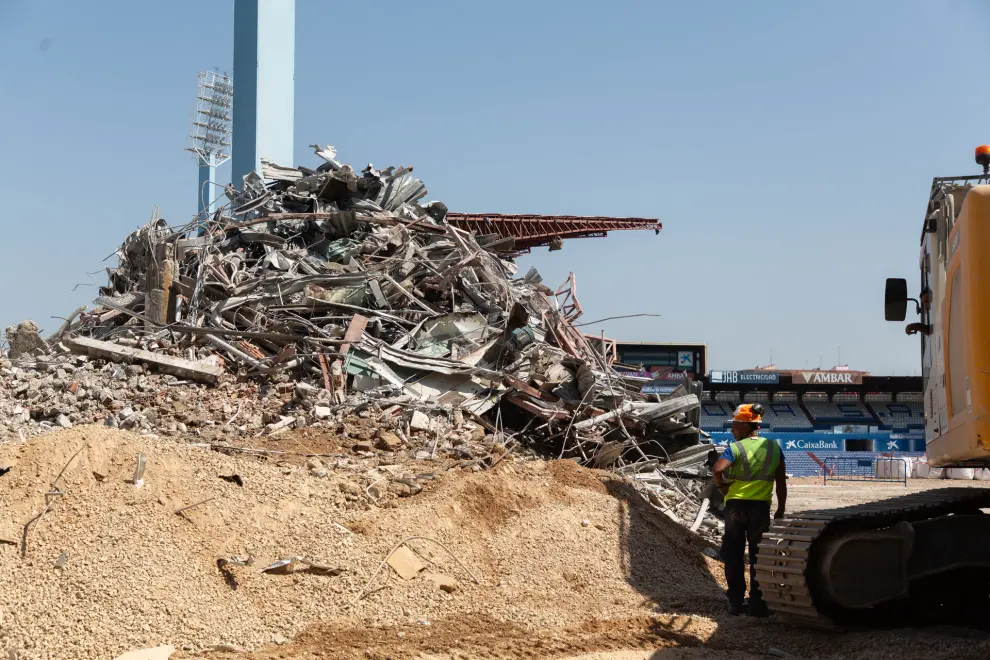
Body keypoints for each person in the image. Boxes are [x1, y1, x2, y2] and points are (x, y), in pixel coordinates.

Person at [711, 403, 787, 617]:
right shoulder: (773, 448)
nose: (732, 430)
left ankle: (735, 602)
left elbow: (717, 470)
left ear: (746, 426)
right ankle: (758, 604)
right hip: (760, 509)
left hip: (735, 507)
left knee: (734, 554)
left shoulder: (735, 448)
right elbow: (781, 483)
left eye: (735, 426)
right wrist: (780, 509)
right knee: (758, 556)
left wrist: (721, 487)